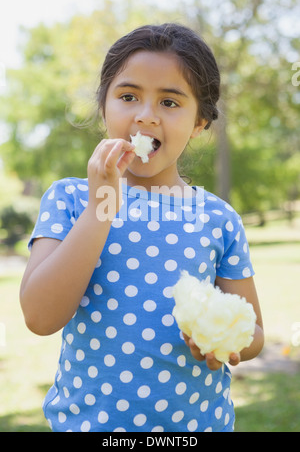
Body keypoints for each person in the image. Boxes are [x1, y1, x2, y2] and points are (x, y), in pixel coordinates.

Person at [20, 23, 264, 432]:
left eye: (170, 102)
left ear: (200, 122)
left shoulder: (218, 219)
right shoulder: (70, 199)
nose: (146, 116)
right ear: (104, 107)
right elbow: (40, 317)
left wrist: (225, 340)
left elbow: (254, 332)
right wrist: (102, 205)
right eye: (128, 96)